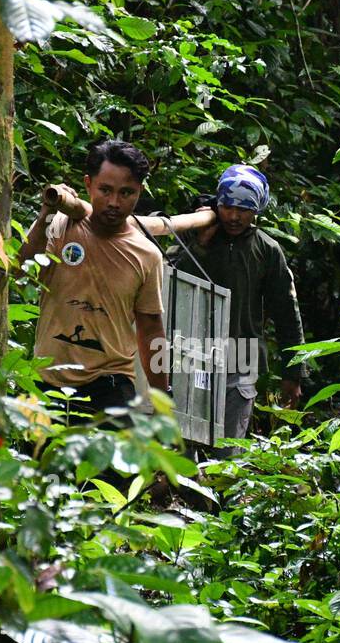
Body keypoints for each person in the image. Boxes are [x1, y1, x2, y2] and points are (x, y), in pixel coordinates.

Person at [18, 139, 169, 425]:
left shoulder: (147, 255)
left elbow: (151, 331)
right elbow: (20, 270)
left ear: (139, 192)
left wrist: (163, 397)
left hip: (109, 384)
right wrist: (44, 216)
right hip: (48, 379)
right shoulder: (61, 224)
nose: (114, 202)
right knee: (37, 467)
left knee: (110, 471)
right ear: (88, 184)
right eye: (105, 190)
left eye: (127, 193)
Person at [167, 164, 306, 451]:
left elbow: (286, 312)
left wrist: (294, 374)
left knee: (230, 449)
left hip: (240, 359)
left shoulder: (266, 250)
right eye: (227, 207)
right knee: (184, 443)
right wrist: (200, 245)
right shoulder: (195, 236)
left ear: (256, 212)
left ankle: (223, 496)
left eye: (243, 209)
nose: (233, 216)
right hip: (191, 353)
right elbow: (168, 281)